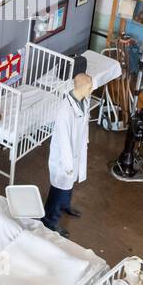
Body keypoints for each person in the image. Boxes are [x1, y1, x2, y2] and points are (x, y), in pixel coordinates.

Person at [44, 72, 93, 237]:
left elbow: (85, 122)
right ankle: (50, 219)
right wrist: (67, 163)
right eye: (90, 86)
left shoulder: (83, 102)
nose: (92, 89)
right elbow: (64, 140)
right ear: (82, 87)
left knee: (69, 182)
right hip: (64, 154)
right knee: (59, 185)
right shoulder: (65, 111)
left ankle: (65, 205)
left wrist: (85, 140)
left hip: (76, 148)